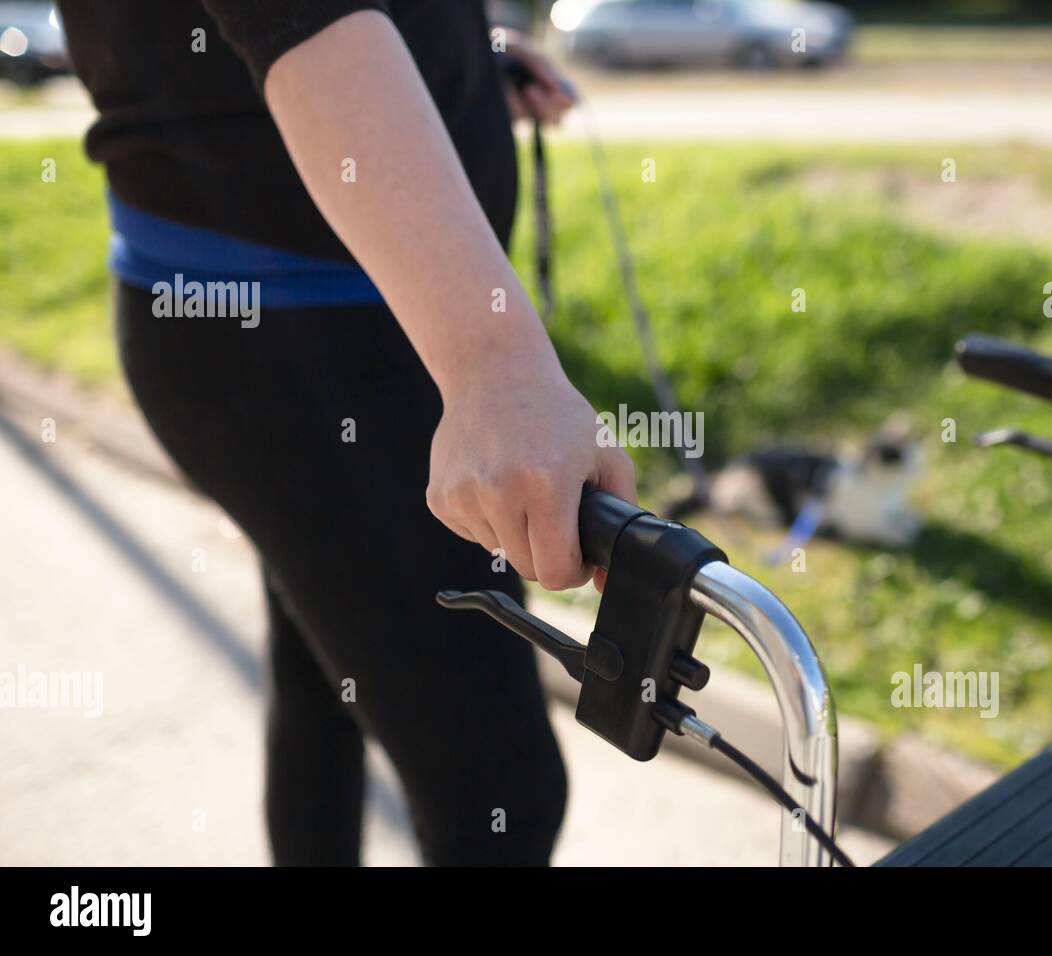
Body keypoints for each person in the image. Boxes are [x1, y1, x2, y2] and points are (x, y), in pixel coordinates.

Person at [53, 1, 637, 865]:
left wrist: (451, 57)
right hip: (298, 347)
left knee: (327, 682)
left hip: (294, 338)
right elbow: (305, 24)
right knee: (498, 786)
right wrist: (493, 368)